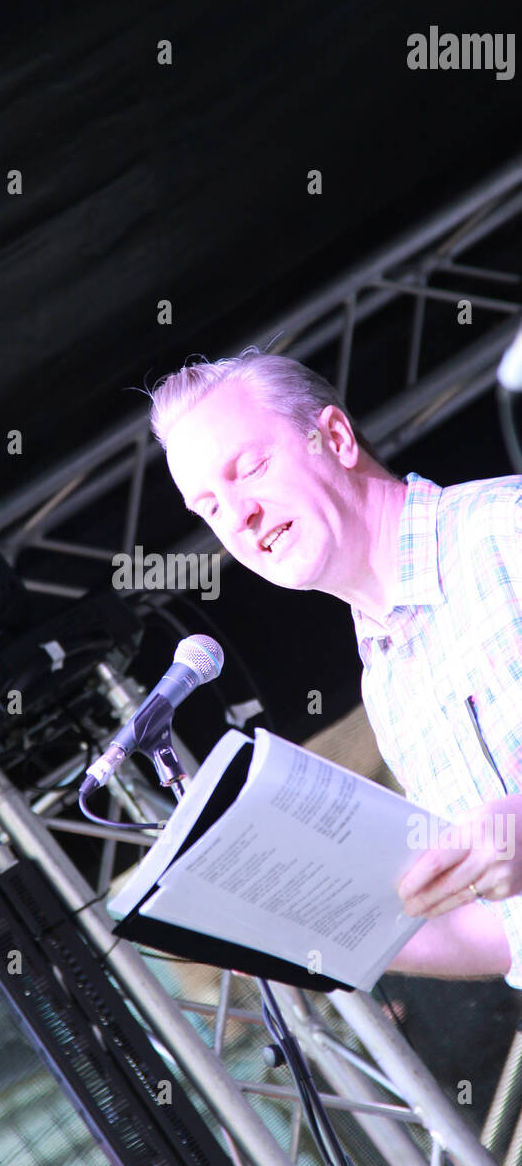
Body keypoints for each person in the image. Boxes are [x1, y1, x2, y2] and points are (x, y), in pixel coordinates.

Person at [147, 348, 522, 987]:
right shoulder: (386, 682)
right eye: (209, 507)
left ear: (338, 439)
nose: (239, 518)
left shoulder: (502, 531)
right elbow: (503, 937)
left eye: (252, 468)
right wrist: (289, 928)